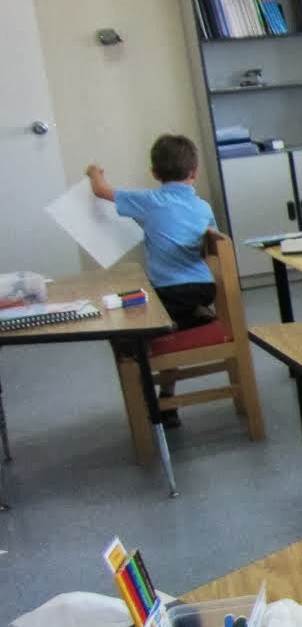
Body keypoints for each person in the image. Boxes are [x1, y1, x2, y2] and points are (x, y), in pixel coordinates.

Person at [87, 136, 218, 426]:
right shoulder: (204, 207)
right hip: (204, 288)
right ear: (195, 171)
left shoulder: (149, 201)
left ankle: (147, 392)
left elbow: (100, 191)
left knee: (129, 327)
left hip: (168, 292)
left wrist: (94, 171)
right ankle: (167, 400)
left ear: (155, 174)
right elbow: (212, 247)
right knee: (173, 323)